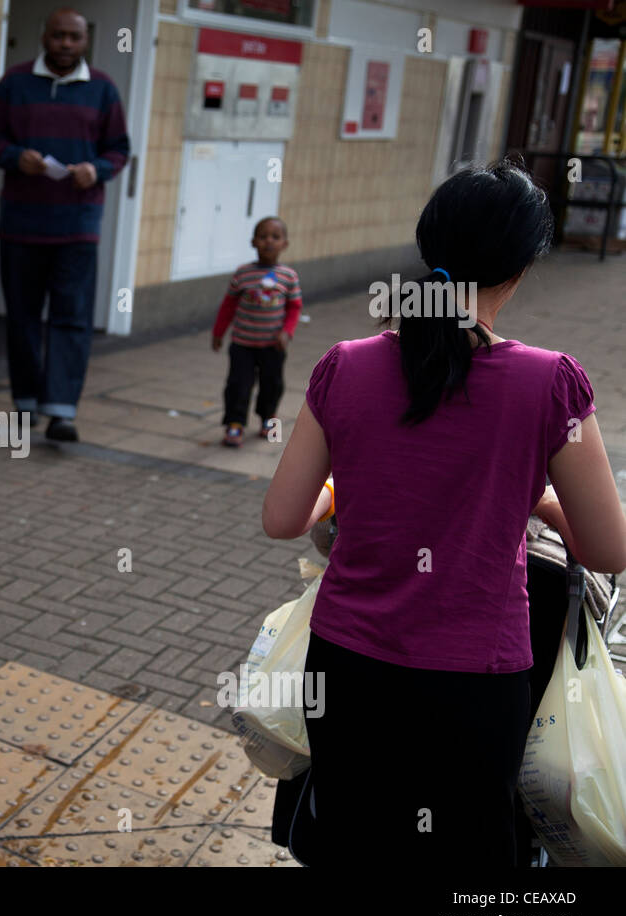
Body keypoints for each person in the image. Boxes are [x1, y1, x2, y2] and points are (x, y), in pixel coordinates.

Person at [261, 162, 626, 867]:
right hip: (474, 684)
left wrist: (342, 489)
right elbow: (608, 547)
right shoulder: (552, 383)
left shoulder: (344, 365)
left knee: (351, 837)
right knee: (464, 854)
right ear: (521, 268)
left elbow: (283, 516)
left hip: (344, 668)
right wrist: (537, 495)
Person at [0, 6, 130, 442]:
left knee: (71, 318)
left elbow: (119, 149)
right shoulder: (15, 82)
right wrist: (15, 157)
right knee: (23, 318)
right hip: (22, 224)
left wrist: (97, 169)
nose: (66, 44)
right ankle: (26, 403)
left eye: (74, 37)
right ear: (44, 38)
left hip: (78, 227)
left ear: (86, 41)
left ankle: (61, 410)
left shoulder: (103, 89)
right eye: (58, 36)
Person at [211, 216, 302, 447]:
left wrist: (286, 332)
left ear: (285, 244)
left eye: (275, 237)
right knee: (238, 384)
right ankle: (235, 423)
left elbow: (294, 307)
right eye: (263, 237)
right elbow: (228, 305)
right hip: (243, 344)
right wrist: (218, 333)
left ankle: (268, 417)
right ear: (253, 242)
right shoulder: (243, 273)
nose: (268, 242)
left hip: (273, 345)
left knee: (272, 384)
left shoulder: (288, 276)